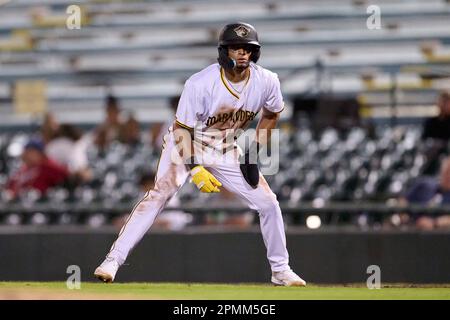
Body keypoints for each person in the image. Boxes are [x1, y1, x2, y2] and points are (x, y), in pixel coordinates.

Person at [94, 22, 306, 286]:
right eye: (235, 47)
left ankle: (280, 269)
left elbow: (272, 115)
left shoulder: (267, 81)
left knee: (269, 203)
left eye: (247, 48)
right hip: (186, 142)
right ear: (223, 52)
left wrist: (253, 153)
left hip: (225, 146)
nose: (242, 53)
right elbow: (181, 131)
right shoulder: (200, 83)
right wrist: (195, 168)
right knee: (159, 194)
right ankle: (113, 260)